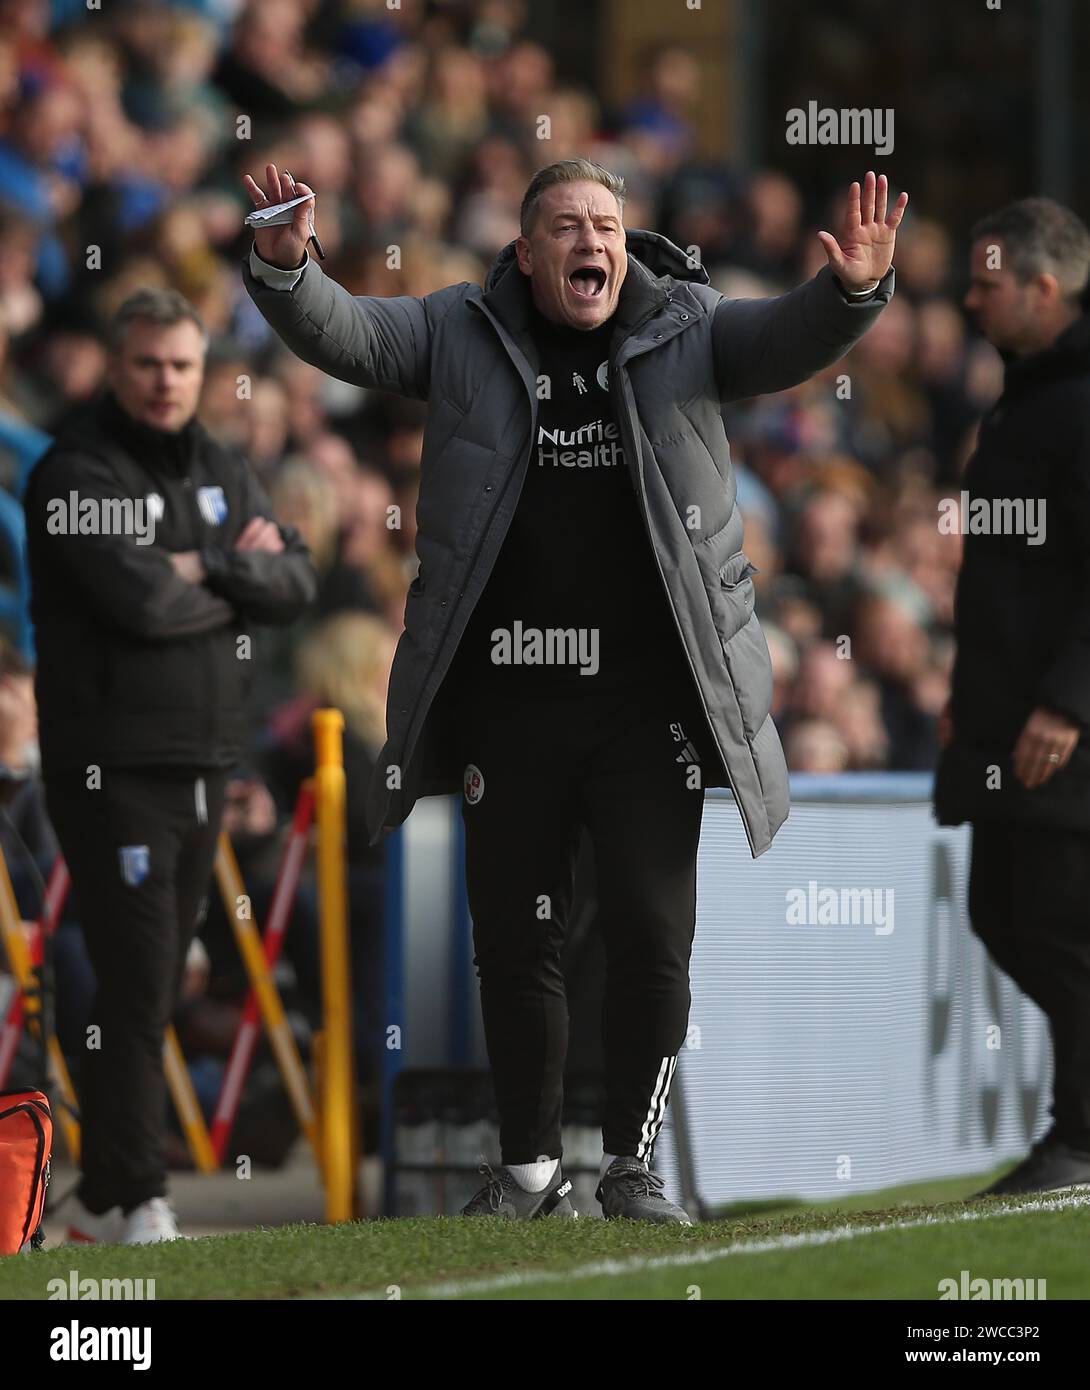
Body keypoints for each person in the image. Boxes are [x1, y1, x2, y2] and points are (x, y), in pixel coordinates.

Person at [243, 158, 904, 1222]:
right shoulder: (462, 328)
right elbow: (352, 335)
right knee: (516, 938)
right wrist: (286, 267)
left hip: (648, 704)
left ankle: (631, 1166)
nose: (588, 241)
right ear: (525, 250)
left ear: (622, 241)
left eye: (603, 223)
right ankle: (527, 1173)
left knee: (649, 931)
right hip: (509, 700)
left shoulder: (686, 323)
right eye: (564, 226)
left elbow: (782, 339)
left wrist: (850, 292)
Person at [23, 287, 317, 1243]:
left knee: (146, 977)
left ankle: (109, 1195)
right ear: (117, 365)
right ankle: (141, 1195)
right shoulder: (74, 471)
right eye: (148, 363)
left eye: (183, 366)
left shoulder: (225, 464)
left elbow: (296, 581)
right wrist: (227, 569)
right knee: (143, 972)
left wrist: (197, 567)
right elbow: (140, 606)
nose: (166, 382)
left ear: (202, 370)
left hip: (205, 763)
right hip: (112, 767)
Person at [934, 198, 1090, 1196]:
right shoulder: (1024, 396)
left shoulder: (1075, 399)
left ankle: (1077, 1138)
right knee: (1006, 912)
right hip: (1008, 713)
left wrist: (1067, 700)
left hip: (1057, 729)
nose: (970, 297)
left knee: (1048, 922)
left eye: (988, 282)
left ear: (1044, 287)